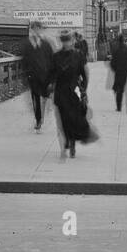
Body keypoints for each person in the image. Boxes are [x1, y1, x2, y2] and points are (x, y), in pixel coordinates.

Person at [51, 30, 93, 158]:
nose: (66, 43)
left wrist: (84, 90)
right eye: (64, 40)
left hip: (73, 92)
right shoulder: (56, 56)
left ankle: (72, 142)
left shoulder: (78, 55)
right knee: (63, 120)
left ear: (72, 41)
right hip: (60, 92)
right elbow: (52, 74)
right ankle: (68, 140)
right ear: (61, 41)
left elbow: (84, 74)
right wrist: (49, 86)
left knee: (73, 119)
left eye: (68, 40)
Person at [17, 21, 55, 131]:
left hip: (45, 76)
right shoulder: (26, 45)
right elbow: (23, 61)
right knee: (35, 98)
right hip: (32, 76)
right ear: (31, 30)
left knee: (45, 96)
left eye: (39, 29)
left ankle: (43, 110)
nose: (36, 31)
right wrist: (25, 75)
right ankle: (38, 119)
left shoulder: (46, 45)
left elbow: (52, 61)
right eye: (34, 29)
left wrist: (52, 78)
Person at [108, 33, 127, 112]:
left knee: (118, 88)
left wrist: (115, 69)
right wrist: (126, 69)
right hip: (124, 72)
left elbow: (112, 62)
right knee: (123, 87)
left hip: (118, 72)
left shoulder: (116, 50)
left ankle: (119, 106)